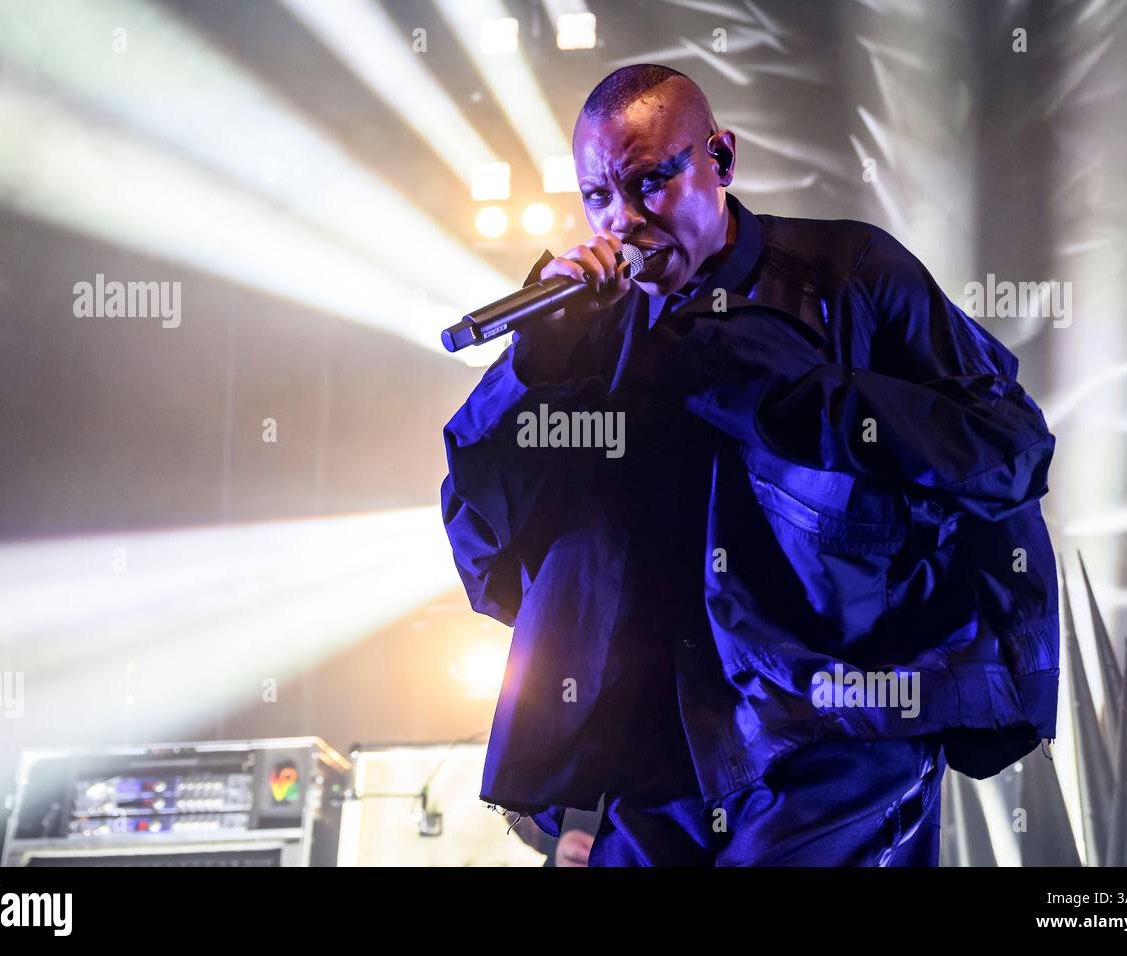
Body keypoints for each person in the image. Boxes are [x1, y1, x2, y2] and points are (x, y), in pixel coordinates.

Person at [443, 64, 1059, 866]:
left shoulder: (851, 276)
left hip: (835, 732)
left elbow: (1007, 449)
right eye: (598, 197)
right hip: (658, 748)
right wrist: (536, 370)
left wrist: (793, 394)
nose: (622, 220)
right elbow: (482, 534)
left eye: (650, 183)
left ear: (721, 160)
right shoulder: (589, 331)